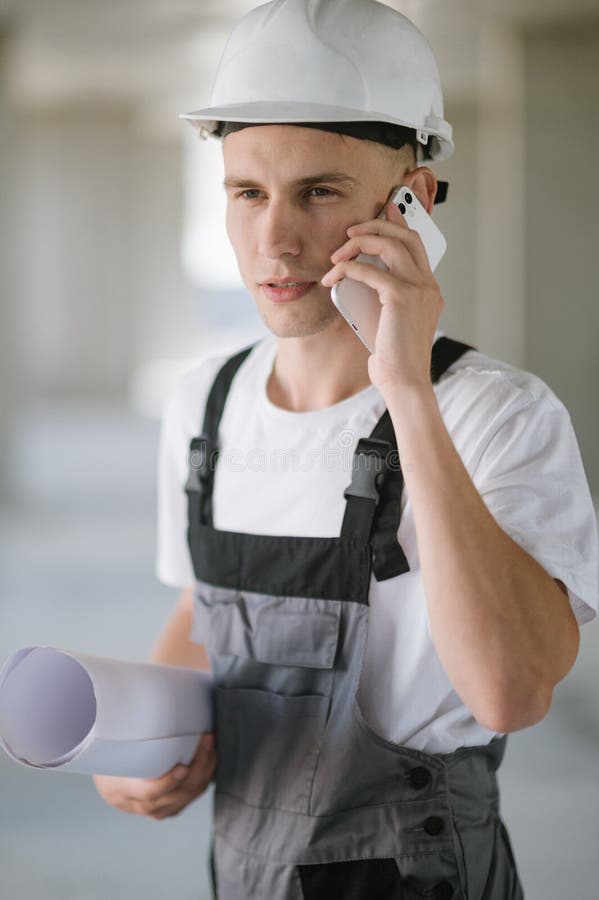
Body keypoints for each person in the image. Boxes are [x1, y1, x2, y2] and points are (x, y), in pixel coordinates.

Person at [93, 1, 598, 898]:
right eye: (248, 193)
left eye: (319, 192)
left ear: (412, 201)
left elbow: (511, 691)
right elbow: (204, 611)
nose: (275, 240)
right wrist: (140, 747)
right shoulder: (206, 402)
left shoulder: (497, 414)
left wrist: (405, 388)